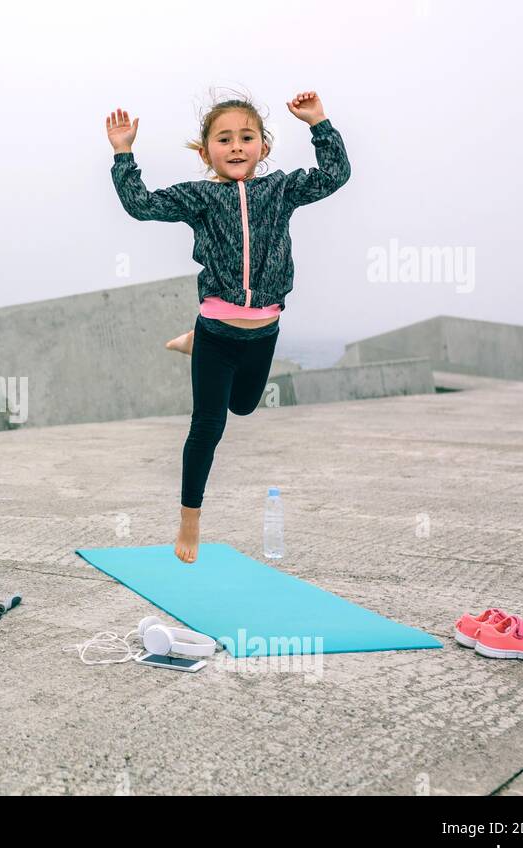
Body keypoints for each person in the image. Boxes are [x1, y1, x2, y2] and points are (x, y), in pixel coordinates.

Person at [106, 90, 351, 563]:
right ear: (205, 153)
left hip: (264, 330)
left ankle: (191, 344)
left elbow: (336, 175)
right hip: (218, 330)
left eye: (246, 137)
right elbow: (140, 205)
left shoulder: (281, 190)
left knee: (244, 407)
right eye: (224, 139)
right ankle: (189, 521)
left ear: (263, 146)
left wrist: (319, 123)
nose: (236, 147)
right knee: (207, 427)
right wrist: (123, 153)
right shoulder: (200, 198)